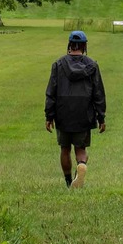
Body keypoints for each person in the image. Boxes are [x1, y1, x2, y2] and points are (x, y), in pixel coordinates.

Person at [44, 30, 107, 189]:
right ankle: (81, 165)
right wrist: (101, 117)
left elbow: (51, 92)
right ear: (84, 46)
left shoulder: (58, 64)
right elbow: (98, 93)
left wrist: (49, 116)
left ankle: (68, 183)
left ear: (70, 45)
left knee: (65, 149)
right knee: (81, 149)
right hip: (84, 113)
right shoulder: (92, 66)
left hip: (63, 113)